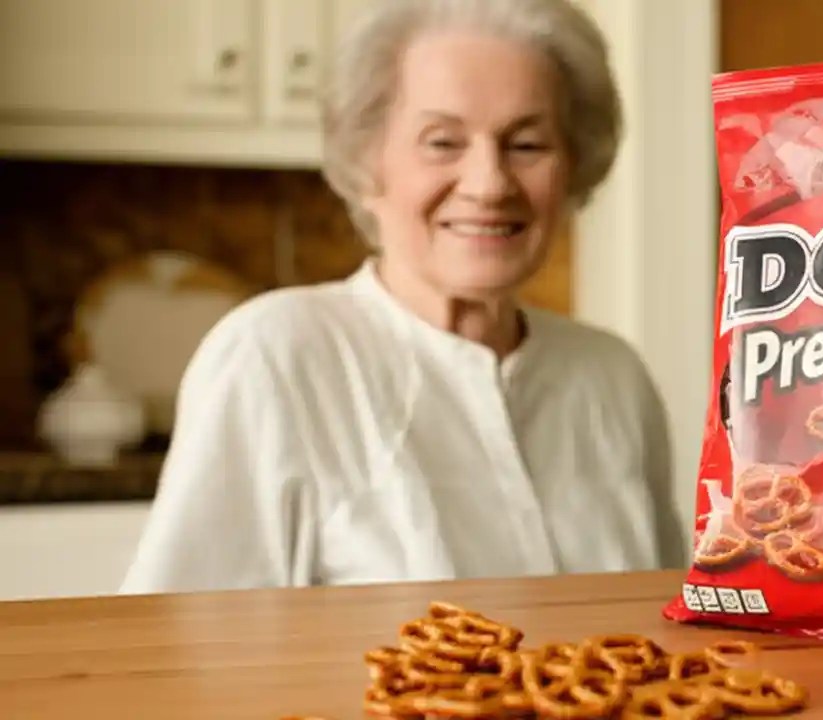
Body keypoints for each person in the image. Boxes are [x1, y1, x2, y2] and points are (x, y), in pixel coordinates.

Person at [118, 0, 688, 594]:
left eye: (527, 145)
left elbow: (670, 629)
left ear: (574, 168)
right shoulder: (277, 355)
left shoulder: (612, 376)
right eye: (442, 142)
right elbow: (178, 648)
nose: (489, 184)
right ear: (368, 164)